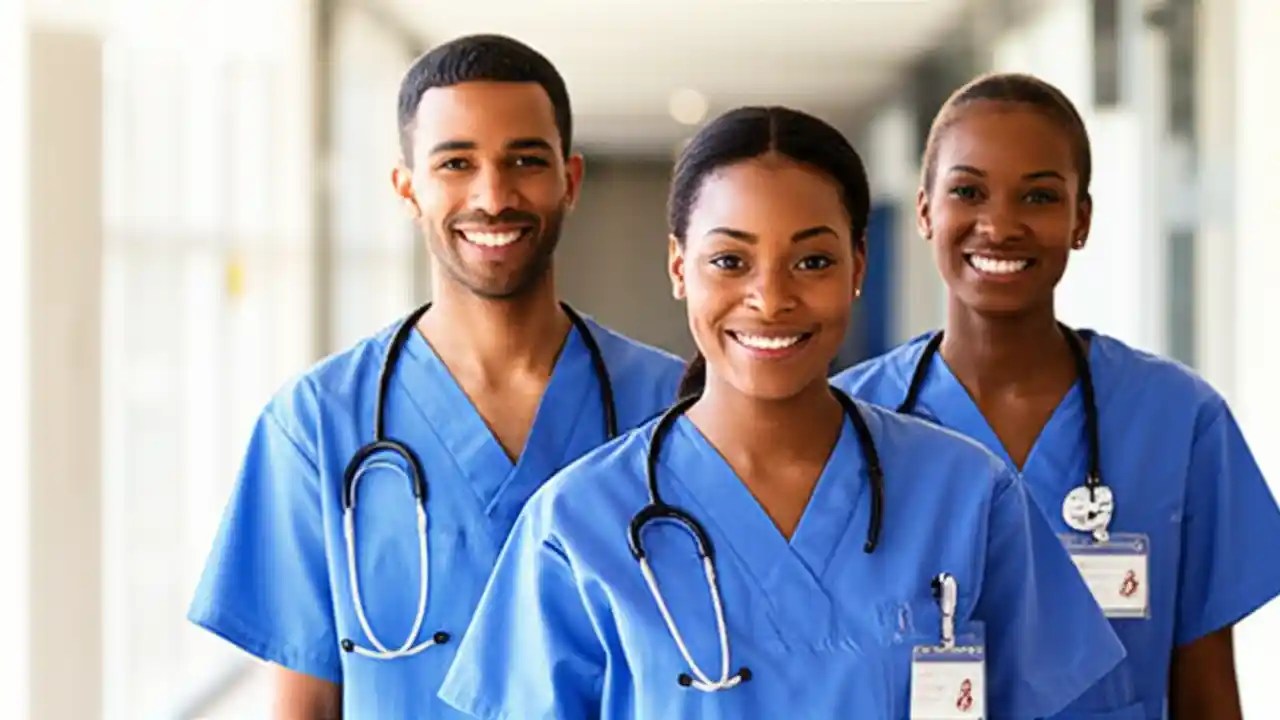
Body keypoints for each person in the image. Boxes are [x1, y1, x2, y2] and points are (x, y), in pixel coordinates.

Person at [436, 105, 1125, 719]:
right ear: (680, 268)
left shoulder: (967, 496)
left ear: (858, 266)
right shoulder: (578, 523)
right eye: (730, 261)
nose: (770, 299)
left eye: (813, 261)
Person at [186, 34, 684, 719]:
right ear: (407, 186)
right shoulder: (318, 424)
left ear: (569, 181)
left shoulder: (672, 410)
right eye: (456, 162)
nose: (493, 194)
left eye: (524, 160)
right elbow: (304, 702)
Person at [832, 72, 1280, 719]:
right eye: (968, 191)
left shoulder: (1178, 420)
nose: (1001, 224)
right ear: (925, 210)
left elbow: (1208, 692)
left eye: (1039, 196)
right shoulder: (847, 425)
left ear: (1081, 219)